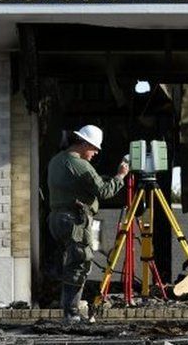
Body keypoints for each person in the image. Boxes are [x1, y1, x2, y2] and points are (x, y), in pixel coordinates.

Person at [47, 124, 129, 323]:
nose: (95, 153)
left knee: (72, 263)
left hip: (57, 218)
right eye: (94, 148)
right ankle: (71, 313)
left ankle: (69, 309)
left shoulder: (57, 161)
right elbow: (104, 192)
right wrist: (120, 175)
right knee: (80, 263)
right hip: (74, 220)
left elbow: (83, 184)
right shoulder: (81, 165)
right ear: (84, 143)